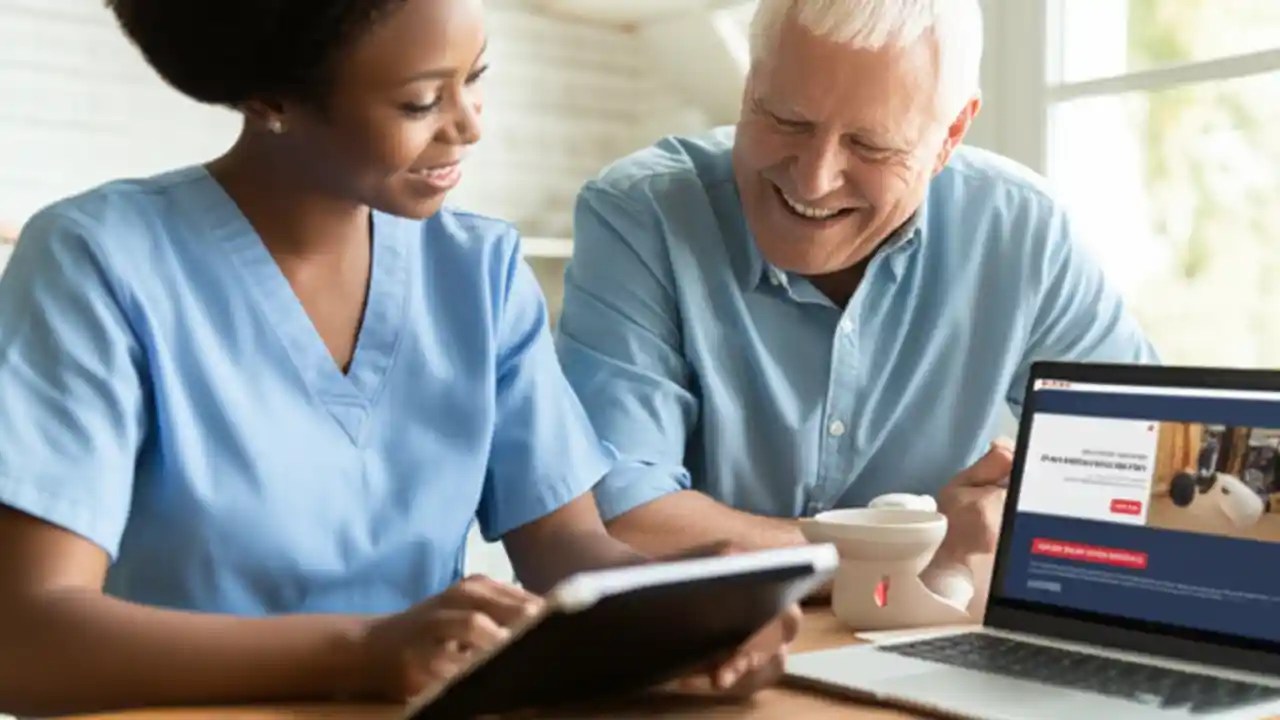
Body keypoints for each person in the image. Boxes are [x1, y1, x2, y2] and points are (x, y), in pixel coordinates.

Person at [0, 1, 798, 715]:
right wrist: (363, 654)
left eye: (474, 77)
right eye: (420, 101)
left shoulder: (478, 272)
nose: (468, 124)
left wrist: (683, 614)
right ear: (270, 98)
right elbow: (25, 640)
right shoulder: (98, 261)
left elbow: (567, 553)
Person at [555, 0, 1159, 610]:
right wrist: (911, 551)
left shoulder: (1022, 232)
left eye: (870, 145)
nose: (814, 180)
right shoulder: (642, 214)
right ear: (750, 85)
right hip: (707, 652)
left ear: (951, 134)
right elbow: (619, 521)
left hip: (932, 644)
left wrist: (1028, 514)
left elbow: (1139, 470)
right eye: (787, 120)